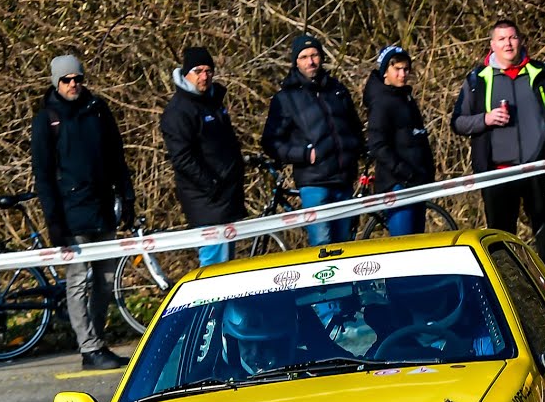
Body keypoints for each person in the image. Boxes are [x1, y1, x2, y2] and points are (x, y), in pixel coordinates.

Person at [451, 19, 545, 288]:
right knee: (499, 236)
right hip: (498, 171)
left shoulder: (541, 73)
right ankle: (508, 290)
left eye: (512, 38)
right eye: (501, 39)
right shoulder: (477, 80)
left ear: (521, 40)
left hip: (540, 168)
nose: (508, 44)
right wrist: (485, 119)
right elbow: (458, 123)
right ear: (492, 45)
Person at [30, 54, 135, 370]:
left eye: (77, 78)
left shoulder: (98, 110)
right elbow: (44, 175)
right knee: (78, 281)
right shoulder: (46, 120)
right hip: (72, 214)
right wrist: (54, 222)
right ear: (56, 82)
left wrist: (126, 198)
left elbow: (117, 156)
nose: (73, 84)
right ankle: (88, 347)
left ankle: (98, 341)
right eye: (66, 80)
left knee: (105, 280)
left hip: (103, 208)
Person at [261, 34, 365, 247]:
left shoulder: (337, 90)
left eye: (315, 55)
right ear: (296, 62)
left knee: (345, 245)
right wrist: (305, 154)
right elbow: (271, 142)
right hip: (314, 183)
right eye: (304, 56)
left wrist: (356, 150)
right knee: (322, 246)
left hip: (344, 180)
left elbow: (354, 127)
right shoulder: (285, 99)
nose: (311, 61)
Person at [159, 46, 247, 267]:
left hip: (226, 197)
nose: (204, 76)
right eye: (198, 71)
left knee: (228, 265)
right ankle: (211, 303)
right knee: (214, 266)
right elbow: (182, 158)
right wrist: (212, 184)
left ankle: (228, 303)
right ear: (187, 73)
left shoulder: (215, 102)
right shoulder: (178, 111)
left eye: (208, 70)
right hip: (207, 200)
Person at [364, 45, 436, 236]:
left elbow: (418, 137)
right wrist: (404, 172)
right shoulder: (381, 102)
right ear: (385, 71)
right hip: (397, 184)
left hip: (417, 182)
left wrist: (426, 172)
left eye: (406, 69)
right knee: (402, 245)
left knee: (417, 244)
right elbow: (378, 145)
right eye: (397, 69)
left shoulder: (406, 98)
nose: (402, 74)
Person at [218, 294, 302, 377]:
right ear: (232, 344)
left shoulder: (308, 368)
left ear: (281, 344)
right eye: (247, 343)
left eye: (265, 343)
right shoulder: (215, 380)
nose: (255, 353)